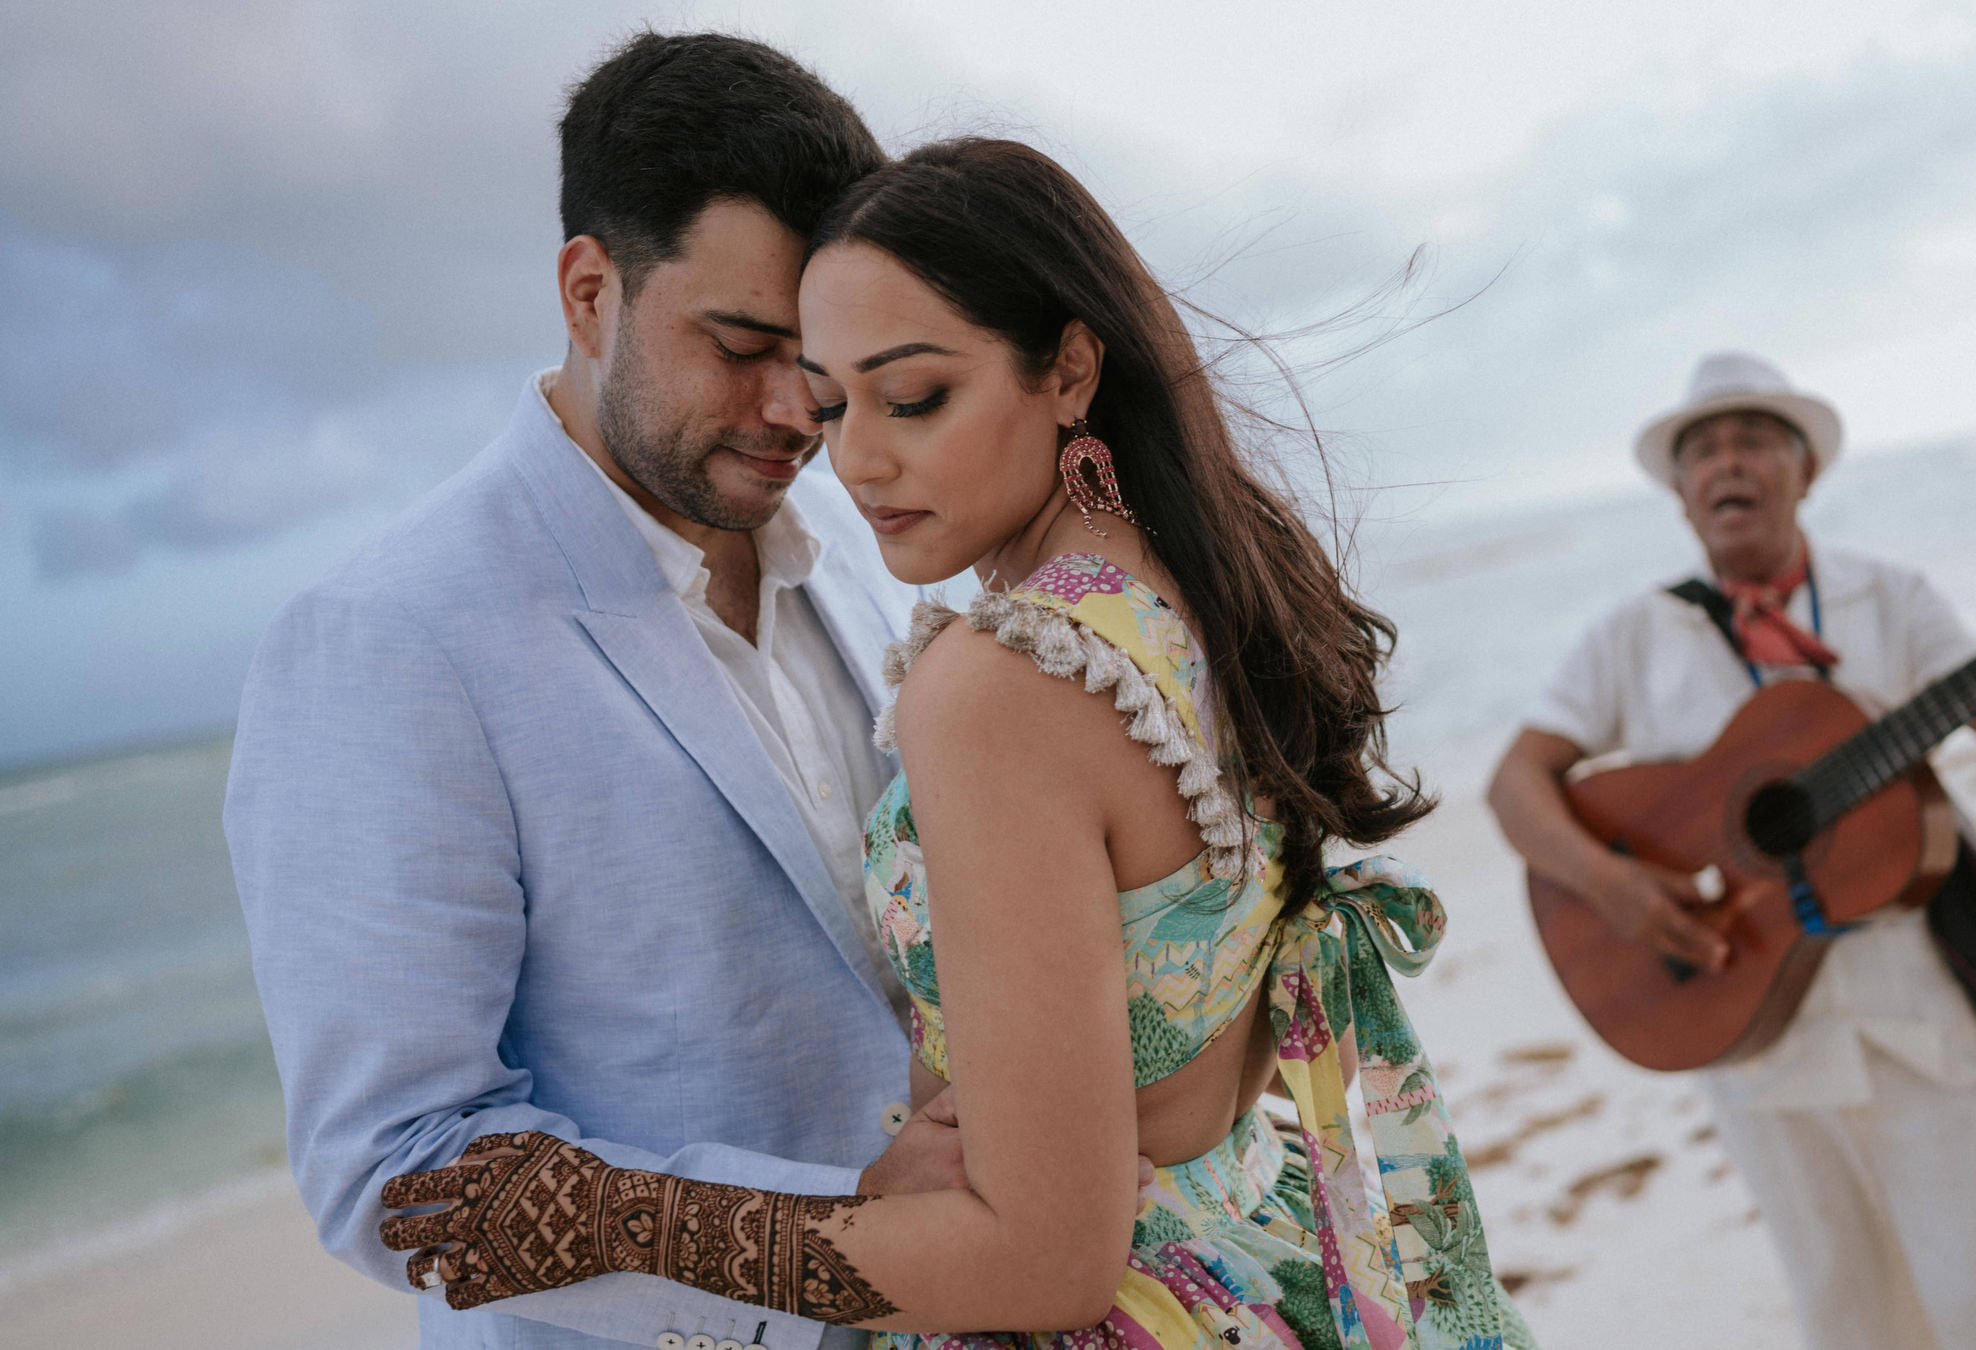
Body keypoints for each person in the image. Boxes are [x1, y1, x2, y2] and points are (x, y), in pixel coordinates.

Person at [377, 137, 1537, 1350]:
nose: (859, 458)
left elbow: (1044, 1260)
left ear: (1071, 368)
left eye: (916, 395)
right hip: (1258, 1248)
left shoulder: (999, 687)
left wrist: (634, 1222)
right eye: (834, 405)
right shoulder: (1201, 595)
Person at [224, 33, 969, 1350]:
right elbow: (396, 1168)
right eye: (743, 341)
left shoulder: (854, 553)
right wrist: (853, 1227)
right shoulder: (386, 639)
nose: (800, 408)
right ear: (587, 291)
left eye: (827, 357)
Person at [1485, 352, 1976, 1350]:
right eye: (1704, 450)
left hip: (1916, 1006)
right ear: (1679, 497)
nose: (1730, 464)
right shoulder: (1634, 635)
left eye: (1755, 440)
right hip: (1747, 1015)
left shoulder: (1888, 599)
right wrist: (1612, 884)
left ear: (1805, 472)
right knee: (1845, 1312)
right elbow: (1514, 783)